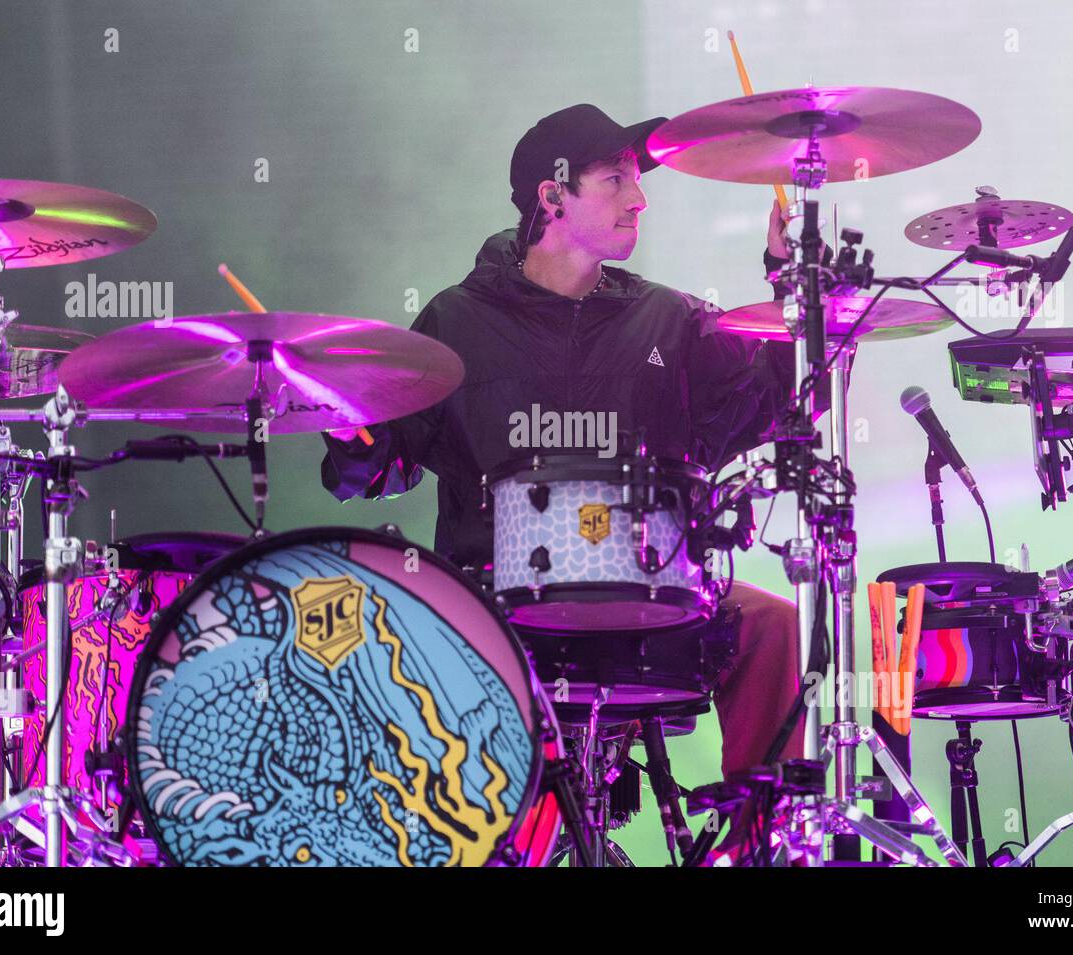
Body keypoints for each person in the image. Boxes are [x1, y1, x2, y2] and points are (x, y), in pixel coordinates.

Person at [322, 104, 807, 853]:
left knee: (774, 624)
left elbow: (773, 407)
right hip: (498, 601)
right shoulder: (455, 320)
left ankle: (759, 845)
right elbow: (375, 465)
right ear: (552, 198)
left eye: (637, 180)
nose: (639, 198)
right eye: (616, 180)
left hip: (651, 587)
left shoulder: (667, 317)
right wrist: (347, 422)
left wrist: (791, 283)